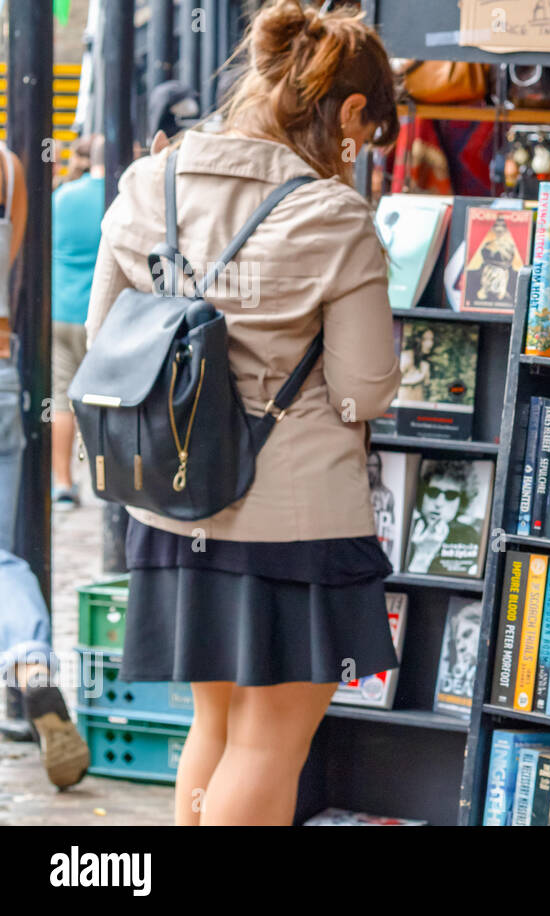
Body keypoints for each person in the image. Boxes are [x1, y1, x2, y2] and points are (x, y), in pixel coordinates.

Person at [85, 0, 400, 826]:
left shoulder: (145, 185)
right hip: (293, 519)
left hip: (174, 501)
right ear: (352, 110)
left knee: (216, 721)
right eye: (363, 135)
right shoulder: (333, 217)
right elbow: (366, 387)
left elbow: (104, 344)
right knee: (271, 740)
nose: (356, 152)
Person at [0, 138, 91, 788]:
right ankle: (30, 664)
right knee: (3, 555)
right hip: (1, 373)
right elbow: (14, 263)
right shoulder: (9, 168)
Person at [51, 134, 105, 508]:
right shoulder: (120, 197)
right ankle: (107, 481)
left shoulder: (63, 197)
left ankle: (64, 485)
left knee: (59, 401)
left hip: (59, 310)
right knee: (106, 399)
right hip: (103, 316)